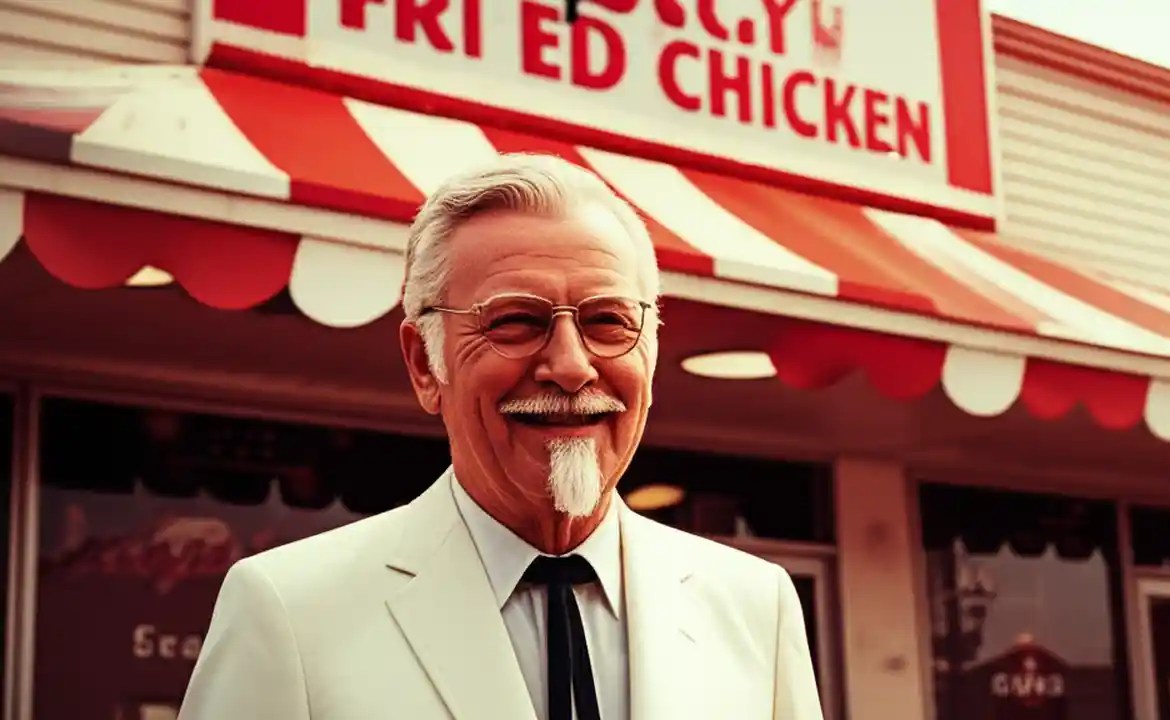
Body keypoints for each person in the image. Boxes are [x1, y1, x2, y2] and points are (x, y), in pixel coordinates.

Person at [177, 153, 824, 720]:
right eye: (515, 321)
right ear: (426, 365)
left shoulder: (753, 606)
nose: (571, 364)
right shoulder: (289, 611)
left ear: (651, 351)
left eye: (607, 321)